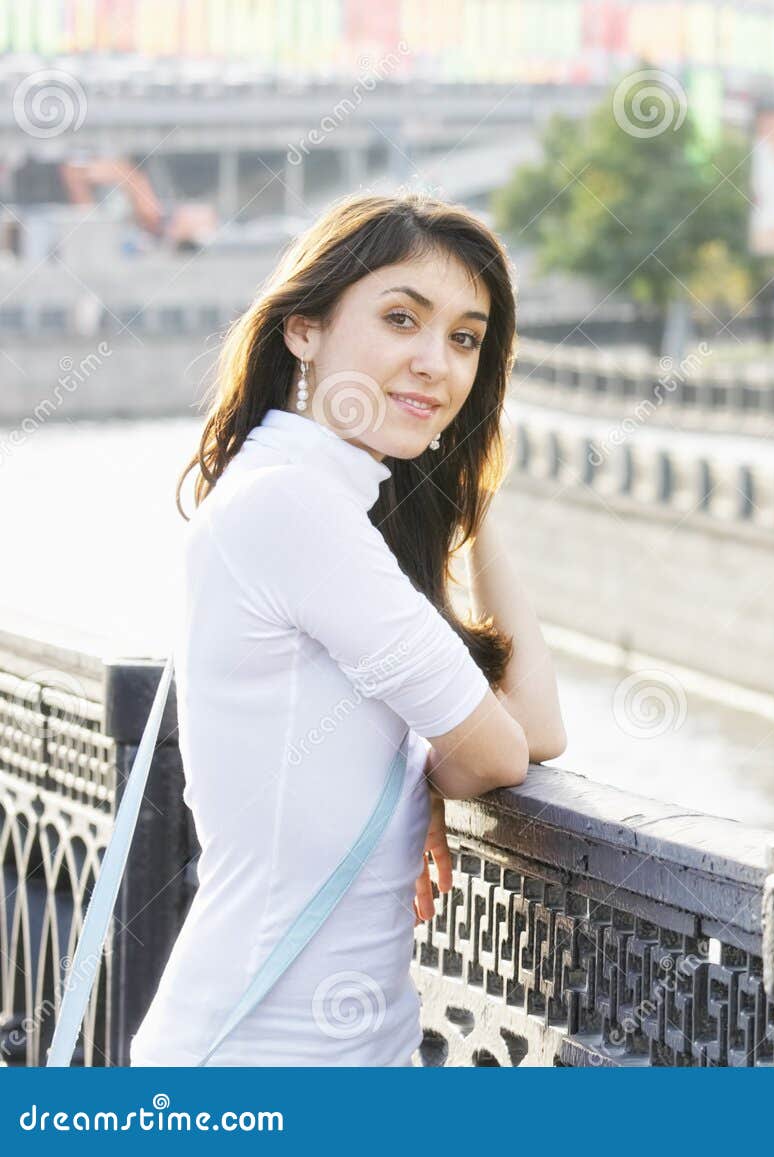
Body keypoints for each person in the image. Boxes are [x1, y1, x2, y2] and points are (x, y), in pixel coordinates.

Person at [130, 192, 566, 1066]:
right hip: (259, 1061)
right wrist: (443, 762)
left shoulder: (318, 502)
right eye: (401, 318)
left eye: (464, 338)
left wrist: (472, 501)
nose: (434, 362)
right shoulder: (294, 509)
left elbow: (535, 729)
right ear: (304, 328)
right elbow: (498, 752)